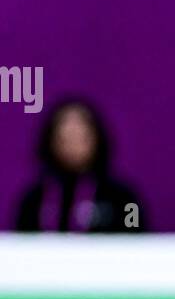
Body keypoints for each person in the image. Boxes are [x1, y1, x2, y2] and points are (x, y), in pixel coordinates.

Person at [15, 99, 147, 233]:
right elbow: (19, 247)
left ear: (96, 138)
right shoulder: (34, 201)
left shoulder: (126, 200)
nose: (73, 146)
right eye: (65, 139)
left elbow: (137, 243)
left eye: (80, 137)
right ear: (51, 141)